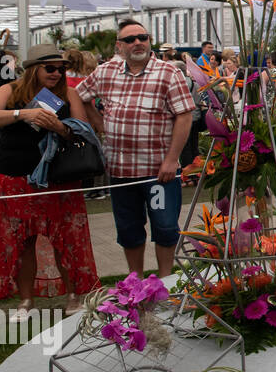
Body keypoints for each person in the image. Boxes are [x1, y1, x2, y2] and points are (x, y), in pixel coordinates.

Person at [0, 45, 100, 315]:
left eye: (61, 68)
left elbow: (83, 131)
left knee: (66, 239)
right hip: (14, 176)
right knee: (22, 241)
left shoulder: (69, 94)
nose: (57, 73)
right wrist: (23, 114)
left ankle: (73, 297)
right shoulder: (10, 91)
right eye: (50, 68)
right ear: (33, 69)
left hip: (59, 179)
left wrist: (61, 128)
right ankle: (26, 300)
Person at [77, 19, 193, 279]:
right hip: (120, 171)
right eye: (130, 39)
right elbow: (79, 95)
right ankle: (135, 281)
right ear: (120, 46)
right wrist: (98, 124)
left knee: (164, 226)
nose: (138, 42)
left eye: (142, 37)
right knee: (129, 229)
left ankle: (165, 281)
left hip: (158, 172)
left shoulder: (168, 72)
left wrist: (172, 160)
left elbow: (184, 116)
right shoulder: (106, 71)